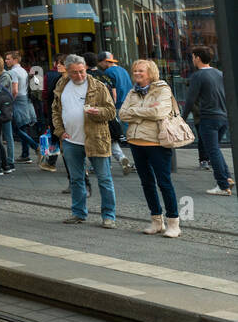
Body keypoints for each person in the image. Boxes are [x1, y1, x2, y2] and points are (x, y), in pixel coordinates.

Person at [51, 54, 117, 227]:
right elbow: (56, 111)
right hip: (71, 141)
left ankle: (109, 216)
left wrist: (98, 112)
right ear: (67, 71)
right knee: (76, 179)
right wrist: (59, 131)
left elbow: (111, 112)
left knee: (104, 179)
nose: (79, 76)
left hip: (96, 139)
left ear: (86, 68)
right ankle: (79, 213)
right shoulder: (61, 84)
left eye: (81, 71)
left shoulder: (98, 86)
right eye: (74, 73)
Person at [119, 59, 181, 237]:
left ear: (151, 72)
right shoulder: (132, 91)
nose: (137, 73)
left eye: (141, 71)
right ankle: (156, 221)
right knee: (146, 183)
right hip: (136, 142)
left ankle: (173, 223)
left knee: (164, 183)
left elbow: (159, 112)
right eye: (135, 70)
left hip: (156, 143)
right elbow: (122, 114)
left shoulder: (162, 89)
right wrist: (145, 111)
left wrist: (135, 112)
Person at [181, 46, 233, 195]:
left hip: (209, 118)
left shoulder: (197, 76)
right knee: (215, 149)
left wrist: (182, 119)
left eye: (192, 57)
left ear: (197, 58)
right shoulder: (219, 73)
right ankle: (227, 178)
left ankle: (223, 186)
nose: (192, 60)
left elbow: (190, 100)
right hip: (223, 117)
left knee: (212, 152)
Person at [97, 51, 135, 174]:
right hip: (128, 103)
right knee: (129, 133)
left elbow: (112, 91)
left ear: (104, 61)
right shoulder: (123, 70)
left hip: (117, 105)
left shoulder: (108, 73)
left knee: (111, 135)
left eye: (100, 62)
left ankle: (108, 162)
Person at [5, 51, 39, 164]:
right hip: (24, 99)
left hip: (16, 100)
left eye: (8, 59)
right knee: (22, 127)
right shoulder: (23, 70)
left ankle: (35, 146)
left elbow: (14, 90)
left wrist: (10, 101)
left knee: (16, 128)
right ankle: (25, 154)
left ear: (15, 60)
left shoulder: (12, 72)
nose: (6, 61)